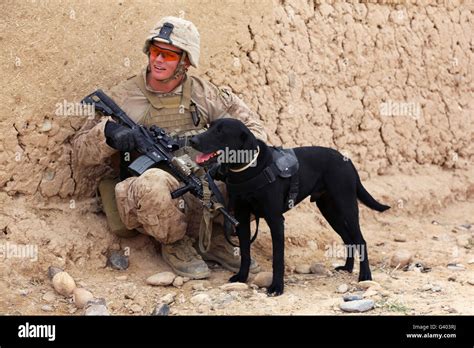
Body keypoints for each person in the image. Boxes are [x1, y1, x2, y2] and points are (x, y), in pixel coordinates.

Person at [72, 16, 268, 279]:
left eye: (168, 55)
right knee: (152, 183)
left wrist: (221, 158)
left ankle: (217, 239)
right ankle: (174, 244)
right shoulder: (124, 96)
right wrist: (109, 134)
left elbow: (254, 134)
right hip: (156, 195)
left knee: (262, 175)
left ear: (186, 62)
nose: (158, 60)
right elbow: (80, 154)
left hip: (202, 185)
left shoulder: (204, 94)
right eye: (154, 51)